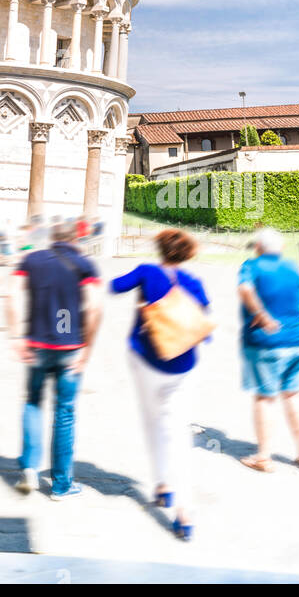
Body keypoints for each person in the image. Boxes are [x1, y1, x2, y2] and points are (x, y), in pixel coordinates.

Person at [110, 229, 211, 540]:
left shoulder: (146, 271)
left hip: (146, 359)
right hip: (182, 364)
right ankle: (185, 512)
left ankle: (162, 485)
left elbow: (114, 286)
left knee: (152, 423)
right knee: (178, 432)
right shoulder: (193, 282)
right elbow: (203, 324)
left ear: (161, 249)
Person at [6, 218, 103, 499]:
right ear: (76, 239)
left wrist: (15, 335)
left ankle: (29, 469)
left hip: (36, 345)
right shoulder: (84, 264)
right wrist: (87, 348)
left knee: (33, 402)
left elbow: (12, 295)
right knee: (64, 413)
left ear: (52, 237)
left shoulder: (32, 259)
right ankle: (61, 485)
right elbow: (95, 306)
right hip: (70, 348)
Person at [238, 228, 299, 474]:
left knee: (265, 397)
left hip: (267, 343)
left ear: (259, 247)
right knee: (293, 396)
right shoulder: (293, 267)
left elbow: (245, 290)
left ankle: (263, 457)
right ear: (280, 248)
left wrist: (261, 315)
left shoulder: (251, 266)